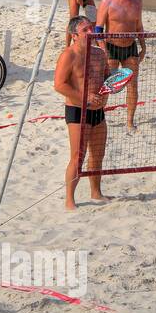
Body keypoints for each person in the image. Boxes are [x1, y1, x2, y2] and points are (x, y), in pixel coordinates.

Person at [54, 16, 110, 210]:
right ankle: (69, 199)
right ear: (75, 35)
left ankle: (96, 192)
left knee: (98, 154)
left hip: (98, 110)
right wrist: (85, 97)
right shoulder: (68, 55)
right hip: (77, 110)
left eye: (91, 28)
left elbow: (107, 78)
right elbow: (59, 85)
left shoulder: (99, 53)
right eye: (85, 30)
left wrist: (116, 83)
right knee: (78, 156)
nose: (91, 32)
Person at [96, 0, 146, 130]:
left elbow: (139, 26)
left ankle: (130, 122)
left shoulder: (137, 2)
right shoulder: (107, 2)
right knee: (108, 85)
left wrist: (143, 46)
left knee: (132, 85)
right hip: (111, 48)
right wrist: (103, 49)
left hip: (130, 47)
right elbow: (98, 30)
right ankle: (98, 117)